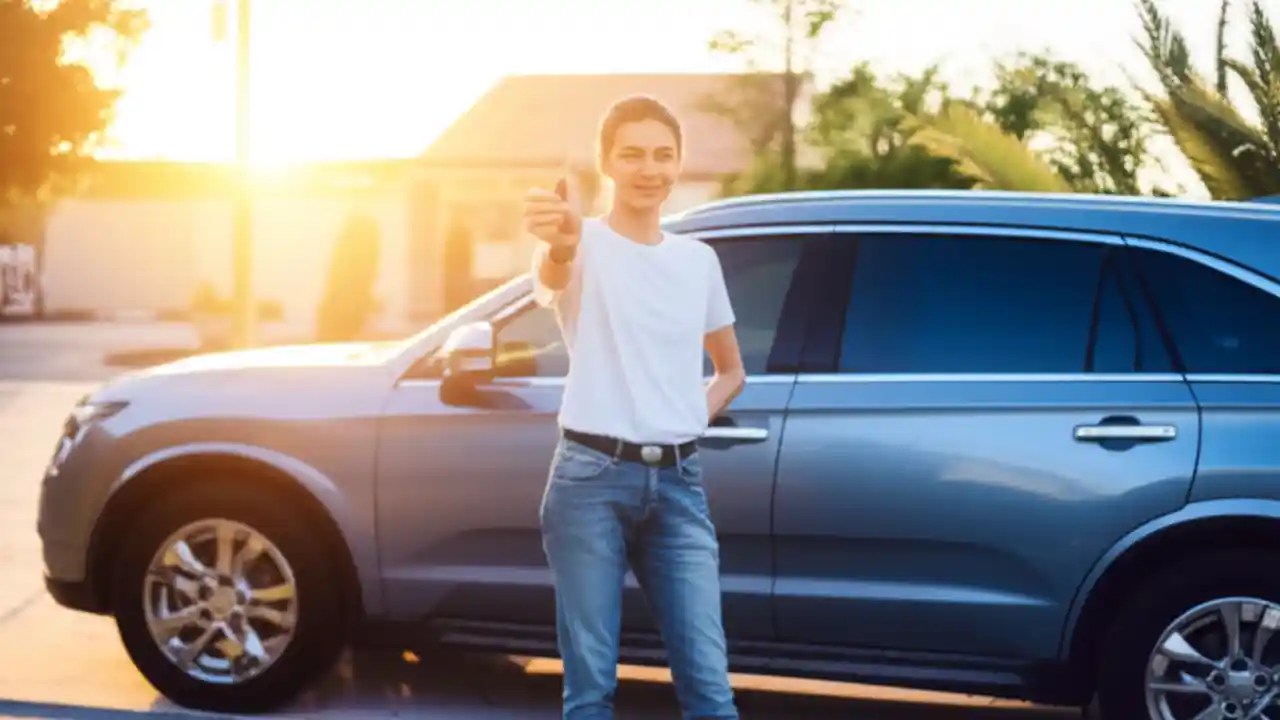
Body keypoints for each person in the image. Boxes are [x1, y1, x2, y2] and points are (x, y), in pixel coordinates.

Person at [523, 94, 746, 720]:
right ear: (607, 163)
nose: (650, 169)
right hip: (589, 480)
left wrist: (685, 418)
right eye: (632, 154)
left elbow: (731, 371)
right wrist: (563, 242)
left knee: (709, 687)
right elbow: (554, 272)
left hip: (680, 485)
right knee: (591, 689)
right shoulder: (582, 242)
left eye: (663, 155)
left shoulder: (698, 261)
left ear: (678, 164)